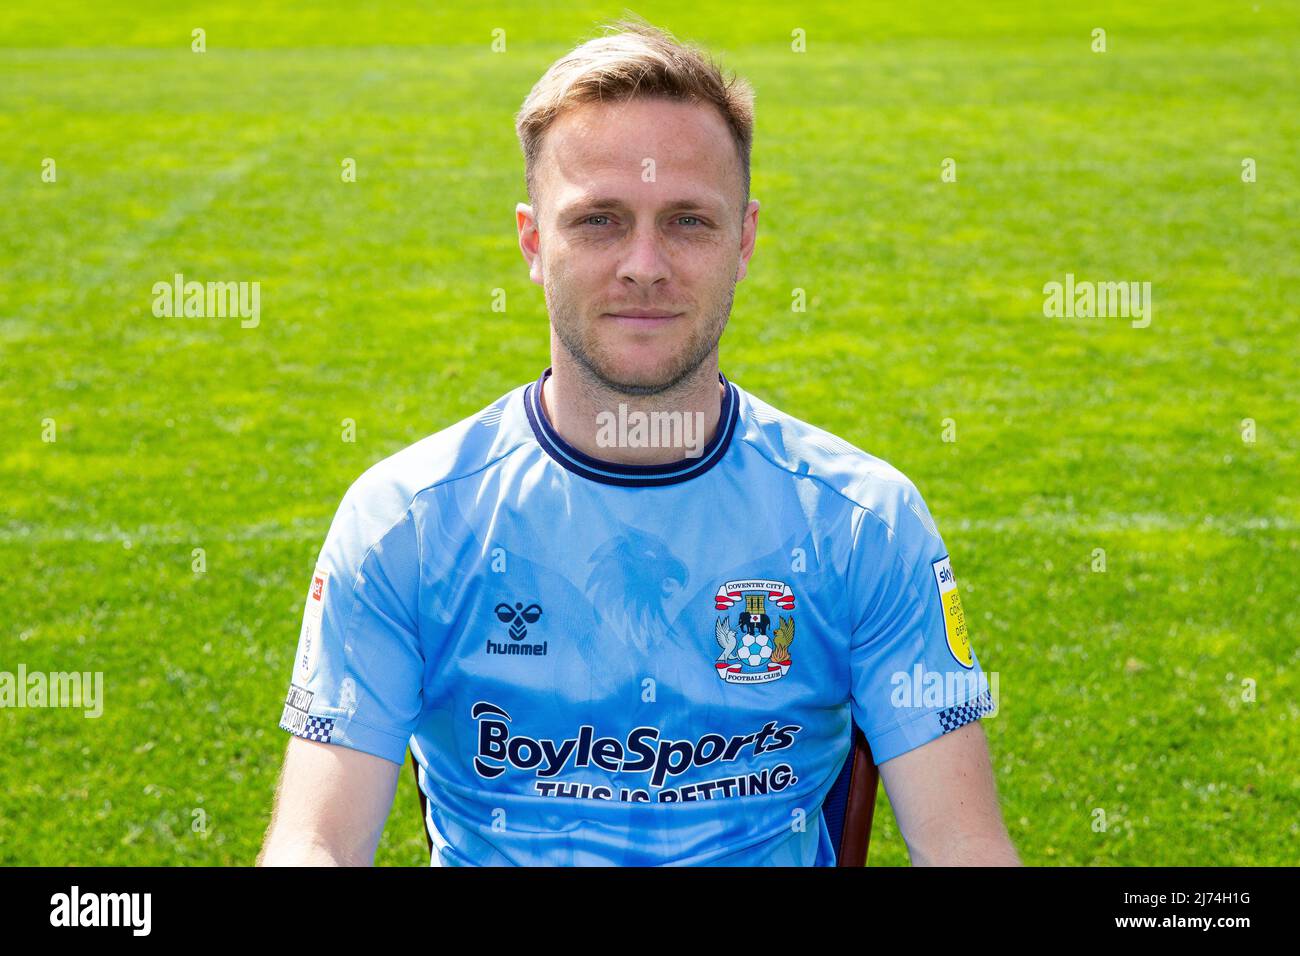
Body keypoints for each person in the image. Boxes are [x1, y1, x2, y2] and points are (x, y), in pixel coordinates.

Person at [258, 16, 1019, 866]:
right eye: (599, 222)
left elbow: (964, 844)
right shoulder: (405, 523)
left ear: (746, 239)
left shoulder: (862, 524)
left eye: (688, 221)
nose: (645, 265)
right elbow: (316, 841)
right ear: (533, 242)